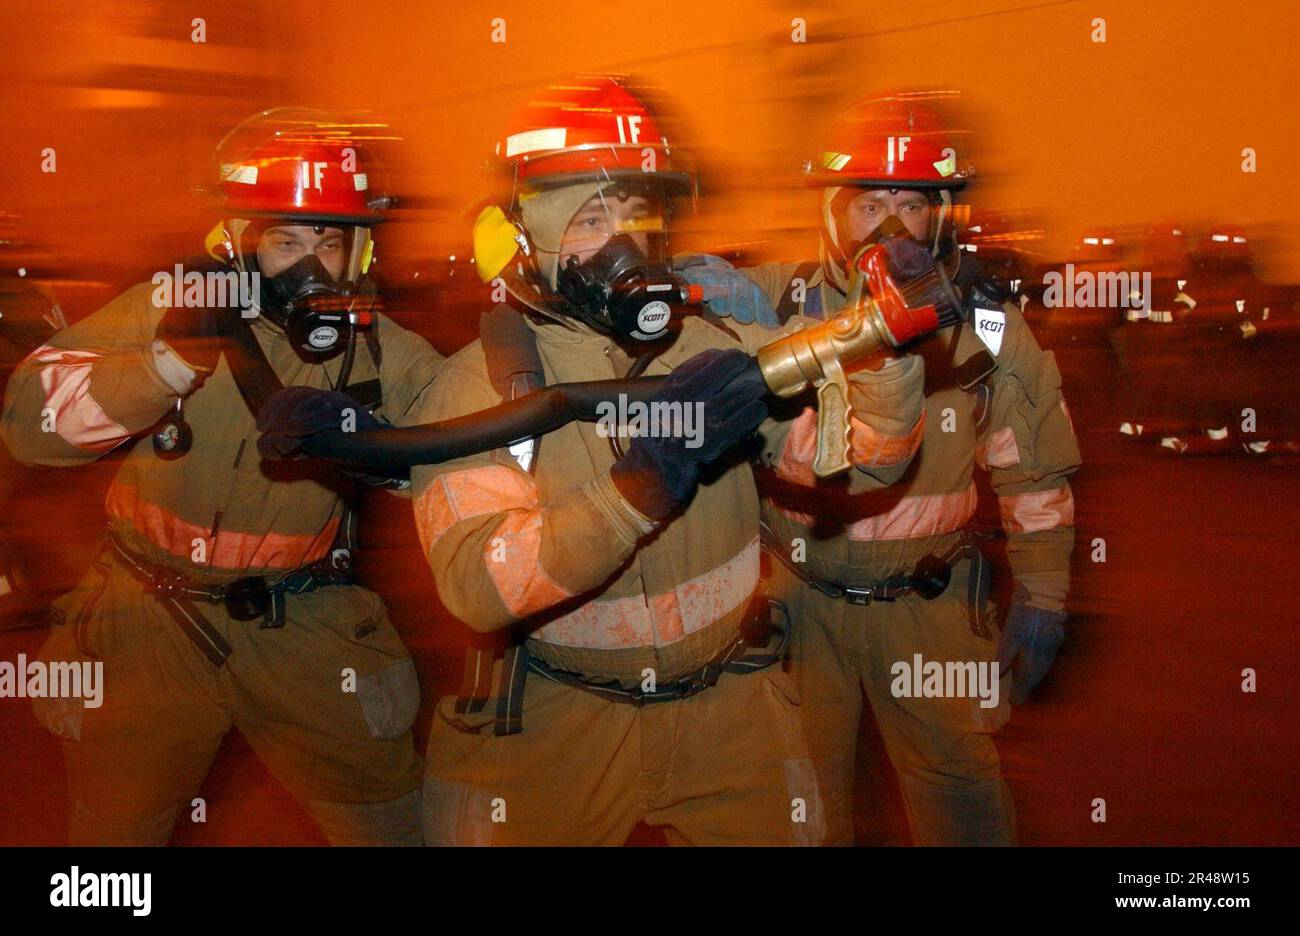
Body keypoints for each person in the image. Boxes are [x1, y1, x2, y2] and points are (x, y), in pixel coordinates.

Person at [408, 75, 929, 845]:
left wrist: (885, 350)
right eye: (591, 216)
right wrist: (641, 484)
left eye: (635, 211)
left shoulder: (716, 347)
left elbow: (864, 461)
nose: (624, 241)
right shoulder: (477, 386)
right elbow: (482, 585)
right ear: (528, 239)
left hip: (732, 707)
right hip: (558, 720)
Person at [0, 109, 443, 845]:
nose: (311, 264)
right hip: (147, 618)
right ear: (240, 246)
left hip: (306, 623)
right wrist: (162, 365)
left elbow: (464, 447)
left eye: (329, 241)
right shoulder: (164, 309)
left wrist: (376, 447)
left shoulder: (388, 351)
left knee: (391, 828)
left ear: (359, 251)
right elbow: (27, 426)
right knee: (114, 841)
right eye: (286, 240)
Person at [733, 92, 1082, 845]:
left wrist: (1046, 594)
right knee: (799, 804)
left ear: (941, 217)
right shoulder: (779, 303)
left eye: (911, 204)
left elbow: (1034, 476)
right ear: (834, 212)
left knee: (959, 798)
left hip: (927, 608)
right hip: (803, 605)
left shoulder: (986, 330)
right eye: (870, 204)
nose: (890, 227)